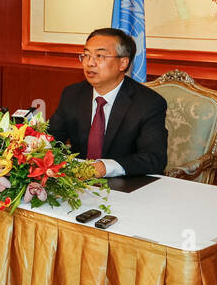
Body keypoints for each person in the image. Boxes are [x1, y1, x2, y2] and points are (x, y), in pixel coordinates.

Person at [48, 27, 168, 178]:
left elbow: (154, 159)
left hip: (125, 186)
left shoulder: (148, 103)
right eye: (86, 55)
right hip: (76, 185)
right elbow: (51, 139)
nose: (90, 63)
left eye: (100, 56)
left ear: (123, 63)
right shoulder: (72, 94)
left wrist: (105, 167)